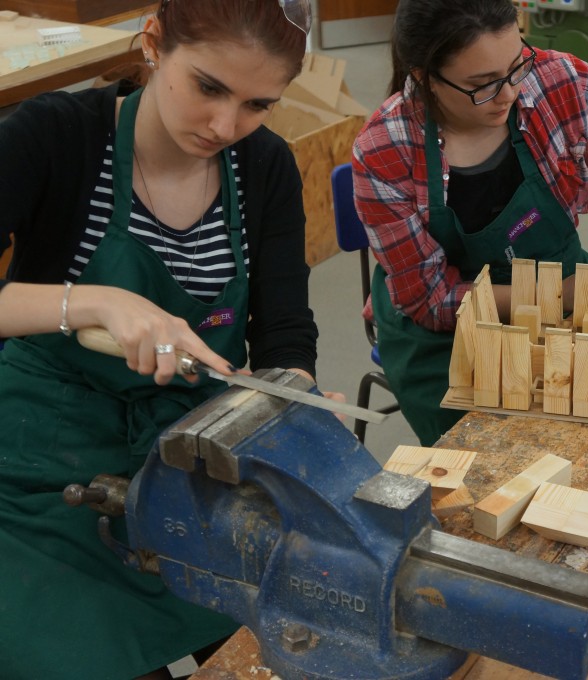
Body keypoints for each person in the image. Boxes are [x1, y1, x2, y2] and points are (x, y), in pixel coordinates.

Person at [0, 1, 326, 678]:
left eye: (257, 104)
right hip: (39, 458)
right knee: (66, 651)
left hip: (187, 453)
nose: (224, 126)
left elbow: (285, 333)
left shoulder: (262, 167)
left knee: (287, 641)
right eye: (209, 87)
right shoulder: (53, 136)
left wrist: (289, 396)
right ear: (153, 42)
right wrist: (90, 301)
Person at [352, 0, 588, 446]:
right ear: (423, 76)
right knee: (491, 460)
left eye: (516, 68)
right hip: (447, 336)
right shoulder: (385, 149)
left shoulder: (558, 82)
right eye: (483, 85)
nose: (510, 93)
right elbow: (431, 300)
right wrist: (563, 294)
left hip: (563, 279)